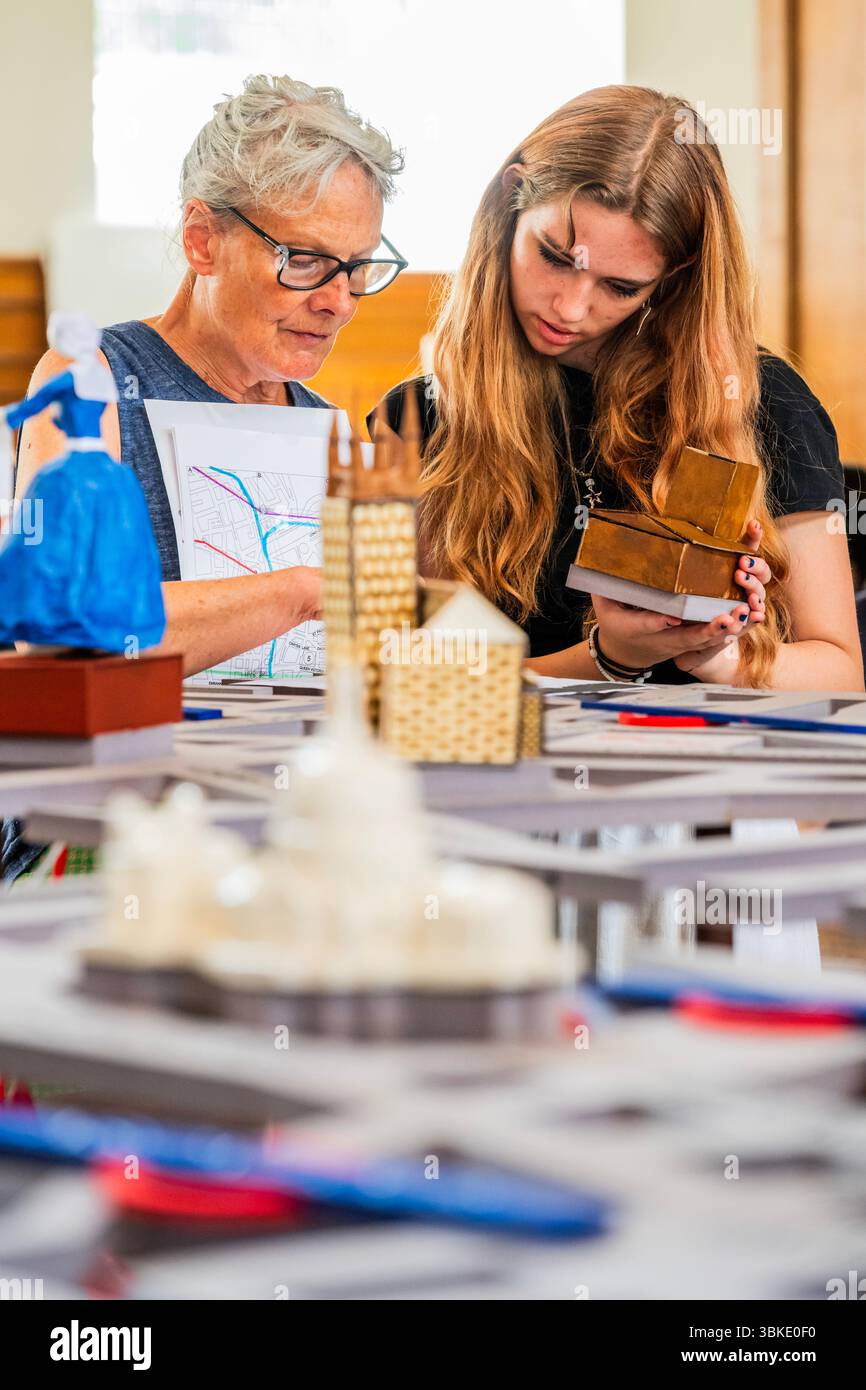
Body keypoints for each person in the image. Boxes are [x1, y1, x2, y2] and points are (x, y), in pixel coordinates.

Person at [376, 85, 863, 690]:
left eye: (621, 286)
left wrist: (716, 656)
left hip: (716, 775)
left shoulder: (766, 402)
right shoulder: (417, 419)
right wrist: (611, 657)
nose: (570, 307)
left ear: (674, 276)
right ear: (509, 202)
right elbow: (404, 681)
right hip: (498, 774)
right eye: (556, 257)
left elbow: (841, 675)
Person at [13, 74, 406, 678]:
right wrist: (300, 594)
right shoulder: (94, 379)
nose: (341, 302)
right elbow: (55, 628)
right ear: (202, 241)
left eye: (357, 268)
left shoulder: (324, 427)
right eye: (304, 261)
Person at [0, 313, 164, 652]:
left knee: (34, 525)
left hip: (74, 461)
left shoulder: (71, 375)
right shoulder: (101, 377)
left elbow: (35, 406)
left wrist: (10, 418)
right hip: (103, 465)